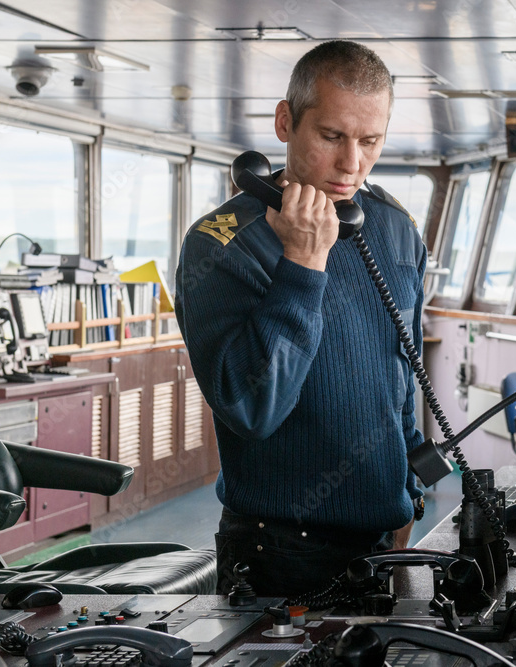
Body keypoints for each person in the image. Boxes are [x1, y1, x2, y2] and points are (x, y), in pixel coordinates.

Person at [175, 40, 427, 597]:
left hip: (386, 538)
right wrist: (304, 263)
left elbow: (400, 377)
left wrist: (408, 490)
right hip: (282, 552)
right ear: (286, 122)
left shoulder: (394, 227)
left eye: (370, 141)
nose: (351, 164)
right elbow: (252, 406)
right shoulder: (222, 244)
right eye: (332, 136)